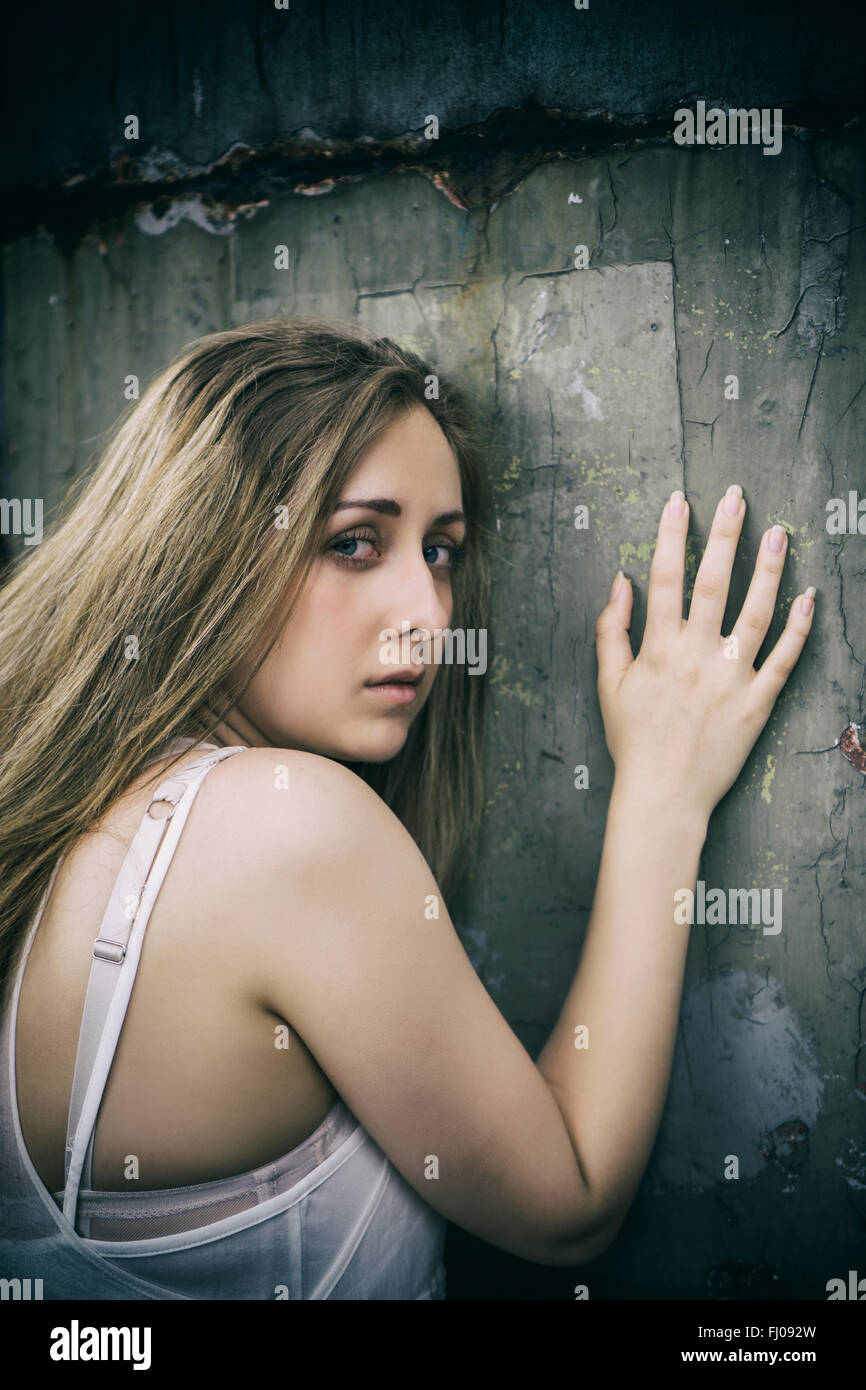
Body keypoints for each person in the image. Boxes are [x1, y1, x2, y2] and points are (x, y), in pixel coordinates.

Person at [0, 317, 814, 1300]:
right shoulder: (285, 825)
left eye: (439, 550)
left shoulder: (71, 817)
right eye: (353, 542)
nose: (431, 614)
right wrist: (663, 791)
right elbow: (567, 1203)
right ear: (201, 544)